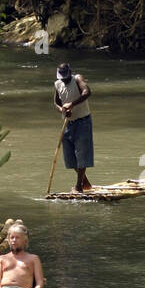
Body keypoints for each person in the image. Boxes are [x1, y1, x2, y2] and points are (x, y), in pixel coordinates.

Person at [53, 62, 93, 192]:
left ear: (70, 72)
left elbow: (87, 92)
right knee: (70, 157)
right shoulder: (57, 84)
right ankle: (84, 182)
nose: (64, 80)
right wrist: (62, 110)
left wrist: (72, 104)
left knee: (82, 153)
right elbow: (56, 102)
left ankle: (79, 186)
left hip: (83, 121)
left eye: (66, 77)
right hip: (68, 122)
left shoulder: (77, 79)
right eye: (62, 77)